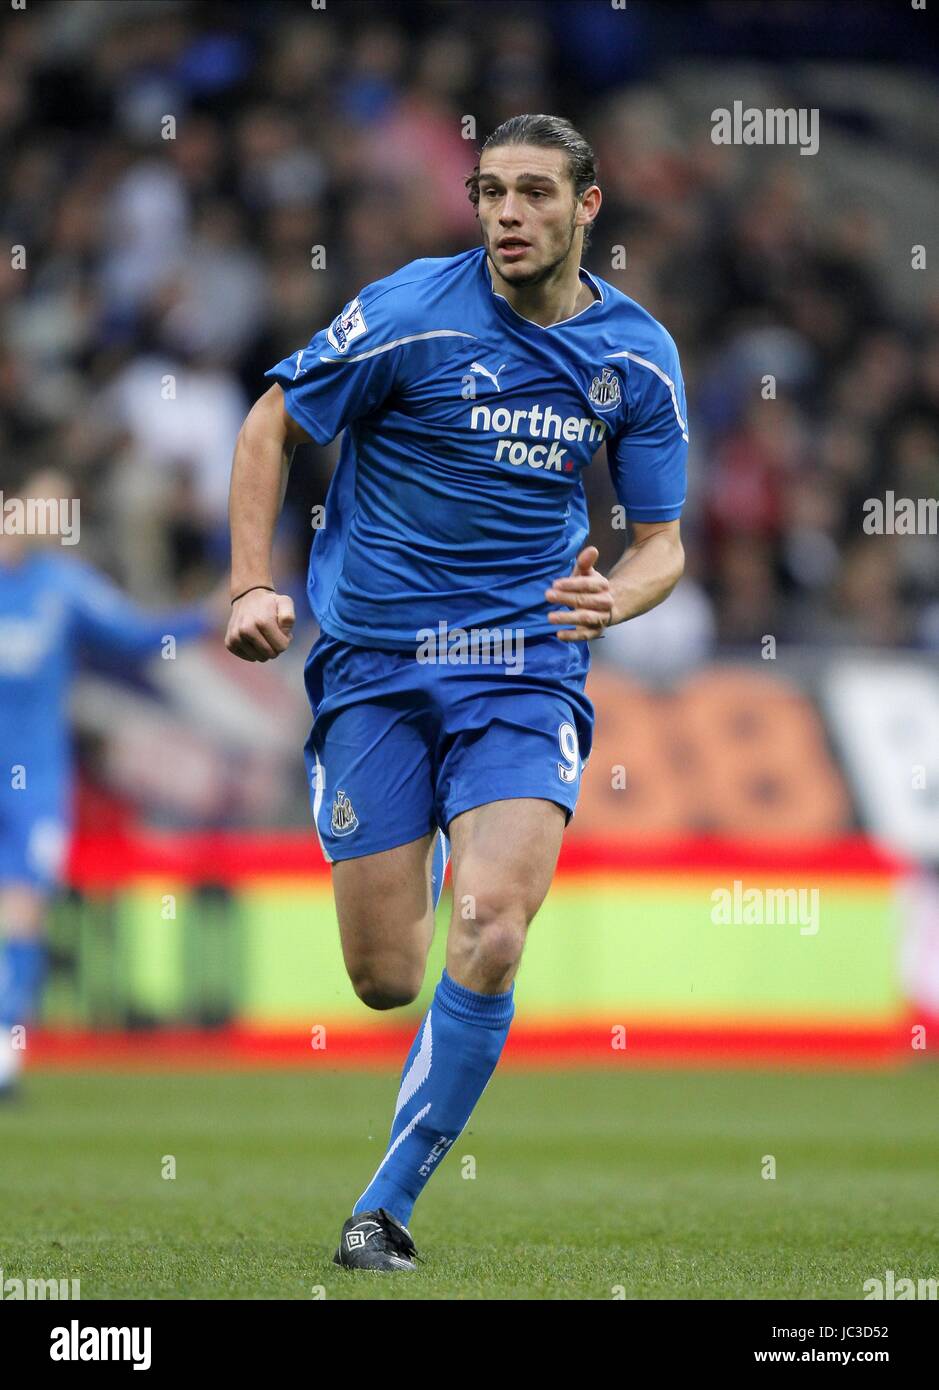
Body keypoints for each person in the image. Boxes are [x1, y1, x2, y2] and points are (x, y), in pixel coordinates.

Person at [225, 114, 688, 1271]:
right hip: (375, 669)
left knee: (488, 930)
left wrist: (616, 602)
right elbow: (272, 422)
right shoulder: (407, 313)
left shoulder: (636, 356)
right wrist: (249, 585)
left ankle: (382, 1208)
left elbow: (664, 542)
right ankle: (435, 840)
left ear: (590, 206)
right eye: (490, 192)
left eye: (534, 193)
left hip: (525, 670)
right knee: (386, 977)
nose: (506, 215)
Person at [0, 466, 220, 1096]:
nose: (52, 515)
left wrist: (203, 618)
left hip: (34, 781)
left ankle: (6, 1051)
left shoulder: (63, 588)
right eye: (42, 502)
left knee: (21, 907)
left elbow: (133, 636)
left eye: (61, 505)